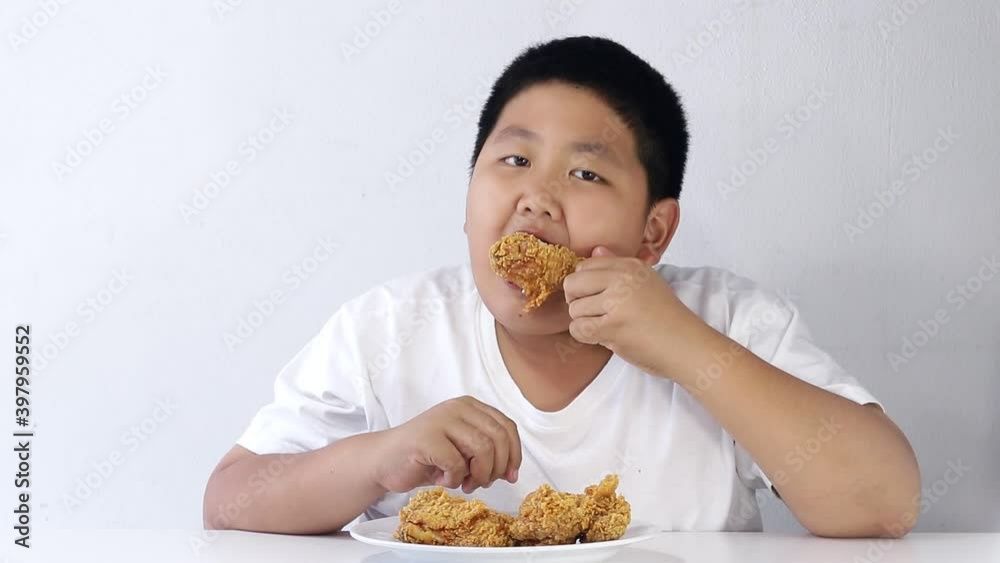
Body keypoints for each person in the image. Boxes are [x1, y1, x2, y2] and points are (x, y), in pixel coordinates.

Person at [203, 36, 920, 538]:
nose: (536, 198)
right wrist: (375, 457)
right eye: (513, 159)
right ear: (467, 201)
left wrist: (686, 346)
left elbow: (885, 504)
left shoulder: (724, 317)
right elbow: (229, 501)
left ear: (654, 233)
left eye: (586, 174)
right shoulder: (390, 328)